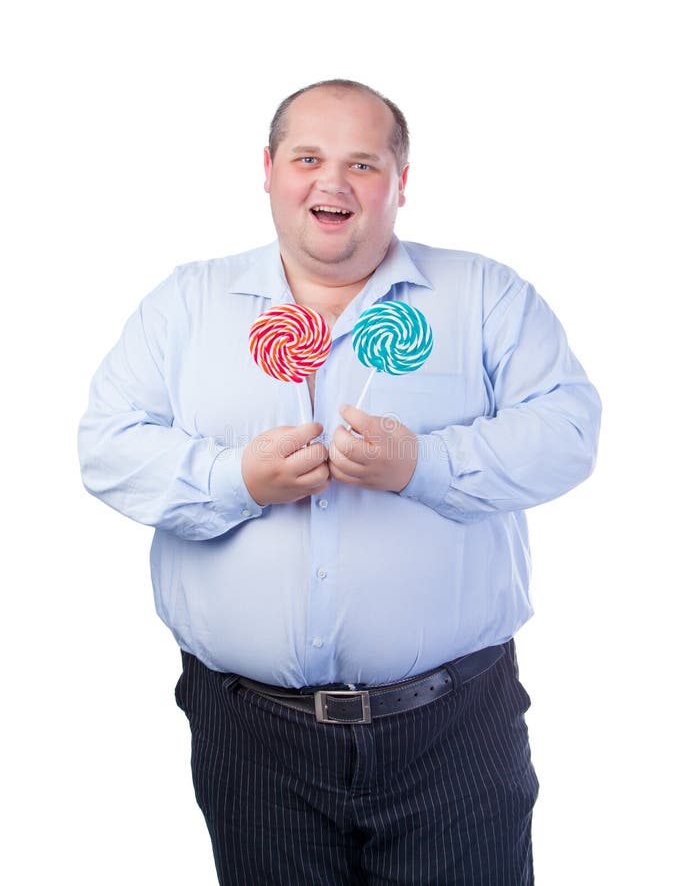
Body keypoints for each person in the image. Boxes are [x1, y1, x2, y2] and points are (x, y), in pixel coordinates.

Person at [78, 79, 601, 885]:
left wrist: (422, 466)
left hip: (453, 723)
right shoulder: (187, 304)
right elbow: (108, 449)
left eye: (362, 162)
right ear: (268, 169)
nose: (333, 181)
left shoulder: (483, 295)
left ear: (399, 181)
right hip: (250, 731)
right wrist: (236, 478)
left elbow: (567, 433)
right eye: (308, 157)